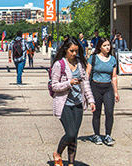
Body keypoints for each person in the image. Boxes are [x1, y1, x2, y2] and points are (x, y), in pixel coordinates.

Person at [50, 37, 96, 166]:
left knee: (74, 135)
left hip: (78, 104)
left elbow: (85, 83)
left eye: (76, 51)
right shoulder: (59, 65)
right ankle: (58, 153)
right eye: (71, 51)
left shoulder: (80, 64)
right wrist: (68, 83)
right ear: (66, 50)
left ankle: (71, 163)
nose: (74, 54)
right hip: (64, 103)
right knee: (70, 133)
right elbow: (54, 86)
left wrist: (91, 100)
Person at [86, 38, 120, 147]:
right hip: (96, 86)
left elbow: (114, 77)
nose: (107, 47)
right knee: (97, 112)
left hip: (107, 88)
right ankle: (96, 135)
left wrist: (116, 92)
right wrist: (86, 91)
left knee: (109, 112)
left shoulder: (113, 59)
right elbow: (87, 73)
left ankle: (108, 135)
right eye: (105, 45)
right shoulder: (93, 58)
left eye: (108, 45)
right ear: (100, 47)